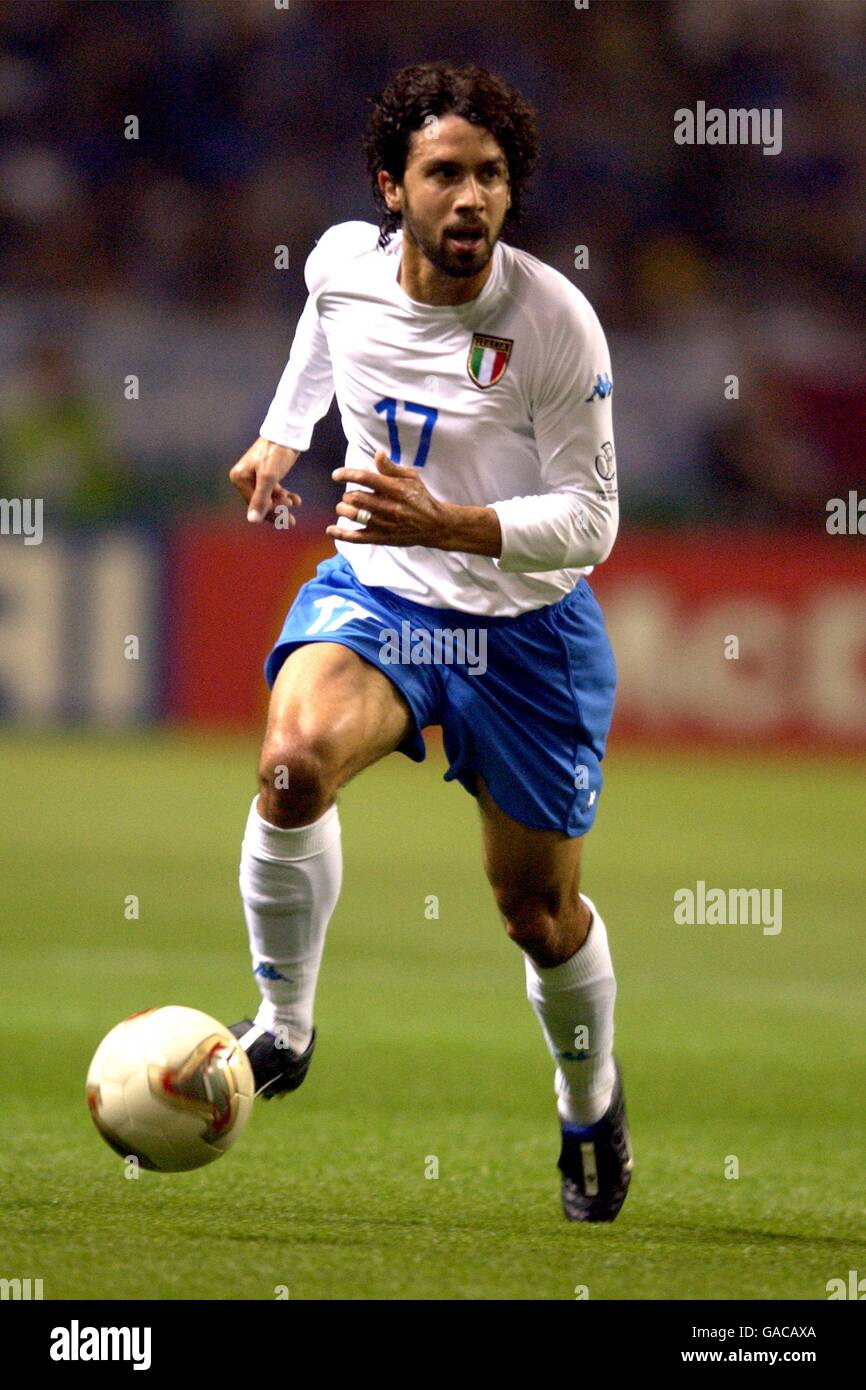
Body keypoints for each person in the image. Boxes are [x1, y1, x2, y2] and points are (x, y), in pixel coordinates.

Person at [227, 61, 631, 1222]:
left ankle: (586, 1095)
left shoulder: (551, 321)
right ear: (390, 190)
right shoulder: (341, 264)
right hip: (383, 595)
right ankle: (285, 1025)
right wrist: (277, 436)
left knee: (536, 914)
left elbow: (592, 520)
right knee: (291, 765)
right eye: (444, 174)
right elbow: (321, 331)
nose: (471, 198)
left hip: (526, 628)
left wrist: (446, 519)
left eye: (491, 176)